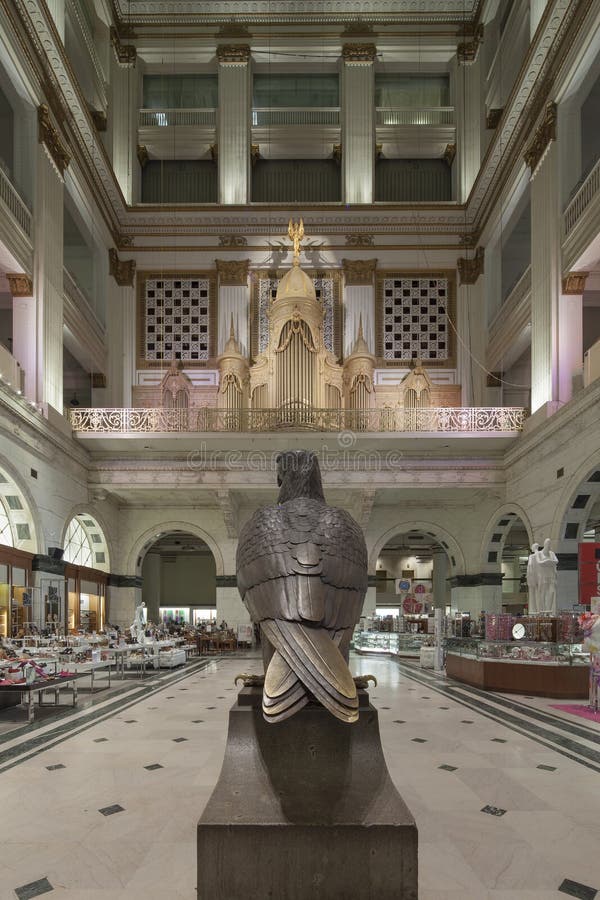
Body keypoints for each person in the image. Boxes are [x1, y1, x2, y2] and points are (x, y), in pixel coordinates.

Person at [536, 538, 558, 615]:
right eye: (547, 544)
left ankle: (549, 611)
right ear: (544, 544)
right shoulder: (539, 553)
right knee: (543, 593)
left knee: (551, 592)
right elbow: (539, 562)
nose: (549, 545)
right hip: (543, 576)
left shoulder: (552, 553)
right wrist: (548, 562)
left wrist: (546, 562)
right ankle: (542, 611)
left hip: (551, 576)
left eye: (550, 544)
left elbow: (556, 561)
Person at [526, 542, 540, 614]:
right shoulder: (540, 555)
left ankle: (533, 611)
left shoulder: (532, 556)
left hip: (533, 576)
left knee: (532, 594)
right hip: (540, 576)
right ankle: (539, 610)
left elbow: (530, 565)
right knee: (539, 594)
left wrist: (529, 576)